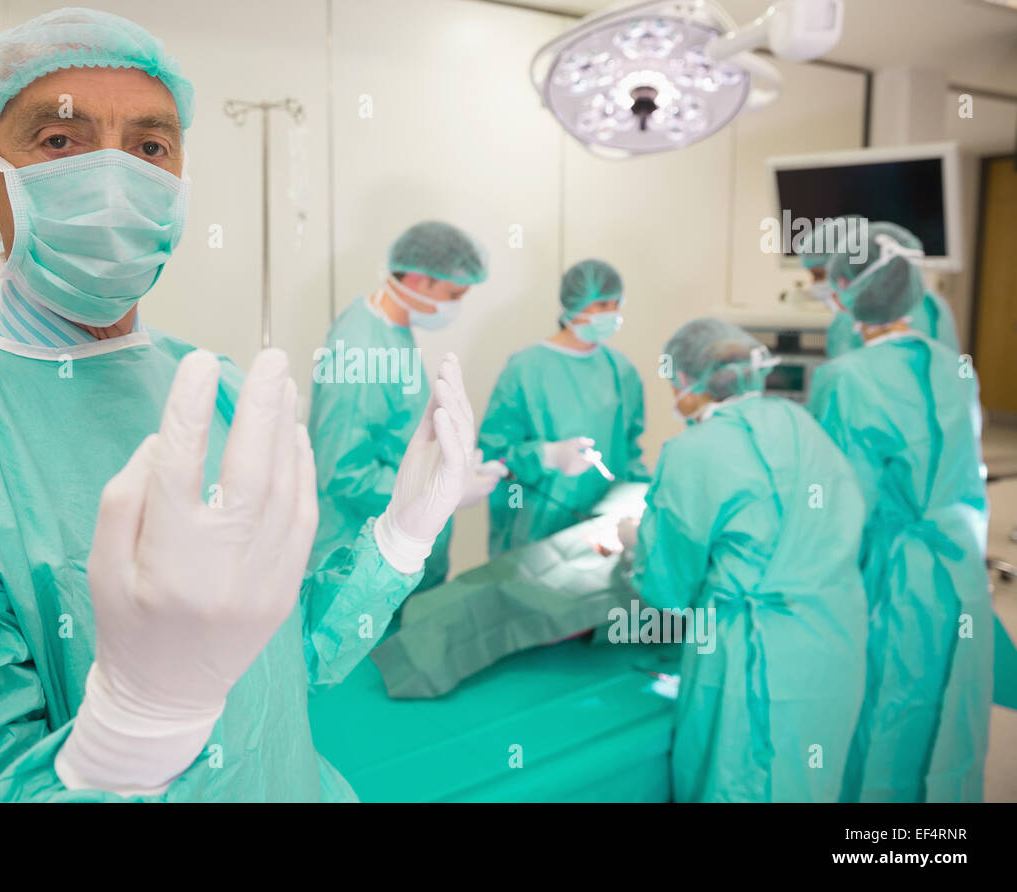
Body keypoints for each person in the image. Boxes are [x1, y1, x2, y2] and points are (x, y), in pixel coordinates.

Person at [0, 8, 480, 802]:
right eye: (60, 141)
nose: (113, 181)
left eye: (149, 147)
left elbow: (293, 649)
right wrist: (133, 730)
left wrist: (398, 541)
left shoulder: (221, 392)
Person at [626, 319, 868, 802]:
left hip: (753, 657)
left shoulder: (693, 451)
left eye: (674, 382)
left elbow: (668, 588)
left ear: (691, 382)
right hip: (833, 639)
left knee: (743, 783)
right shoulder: (804, 426)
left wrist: (637, 542)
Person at [807, 252, 992, 802]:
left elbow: (841, 504)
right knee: (952, 713)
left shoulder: (843, 377)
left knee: (886, 714)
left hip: (898, 575)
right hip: (962, 568)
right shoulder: (953, 363)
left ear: (847, 297)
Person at [308, 221, 497, 591]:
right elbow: (343, 472)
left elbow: (396, 427)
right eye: (454, 294)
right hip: (361, 565)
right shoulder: (361, 349)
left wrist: (450, 465)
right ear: (416, 280)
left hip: (393, 557)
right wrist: (440, 491)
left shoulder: (391, 328)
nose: (456, 305)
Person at [478, 259, 648, 555]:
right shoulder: (525, 369)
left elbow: (630, 452)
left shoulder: (620, 370)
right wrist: (547, 456)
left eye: (614, 304)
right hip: (534, 533)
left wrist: (643, 499)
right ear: (574, 304)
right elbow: (493, 457)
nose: (611, 314)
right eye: (601, 305)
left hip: (604, 529)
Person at [796, 218, 959, 358]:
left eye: (819, 275)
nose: (816, 285)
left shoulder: (856, 318)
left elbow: (845, 382)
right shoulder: (932, 303)